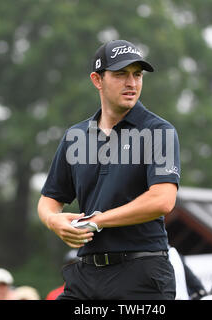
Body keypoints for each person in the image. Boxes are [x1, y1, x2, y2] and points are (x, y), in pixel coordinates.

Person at [38, 39, 181, 300]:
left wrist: (96, 221)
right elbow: (49, 200)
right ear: (97, 80)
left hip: (141, 275)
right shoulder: (75, 136)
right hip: (85, 275)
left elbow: (162, 200)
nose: (132, 83)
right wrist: (53, 220)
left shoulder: (158, 131)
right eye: (120, 75)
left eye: (137, 75)